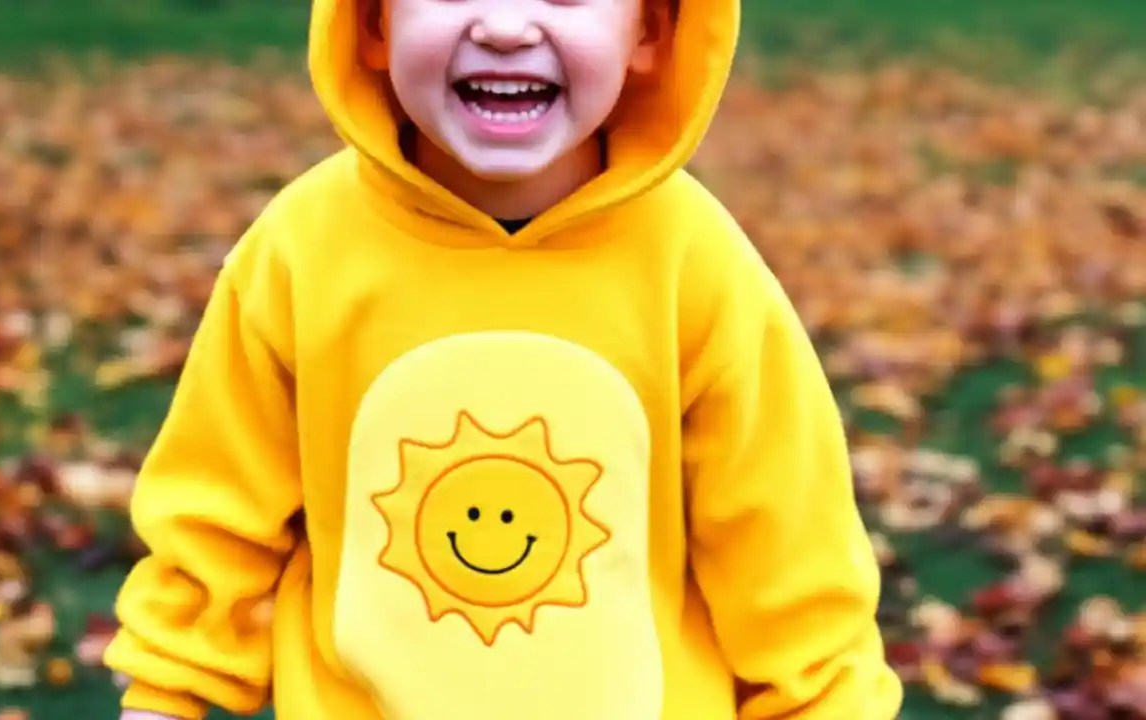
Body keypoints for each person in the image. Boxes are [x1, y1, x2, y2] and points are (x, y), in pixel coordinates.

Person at [103, 0, 902, 716]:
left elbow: (789, 546)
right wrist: (169, 689)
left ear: (651, 31)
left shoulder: (696, 267)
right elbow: (216, 520)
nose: (506, 24)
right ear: (375, 23)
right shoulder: (298, 253)